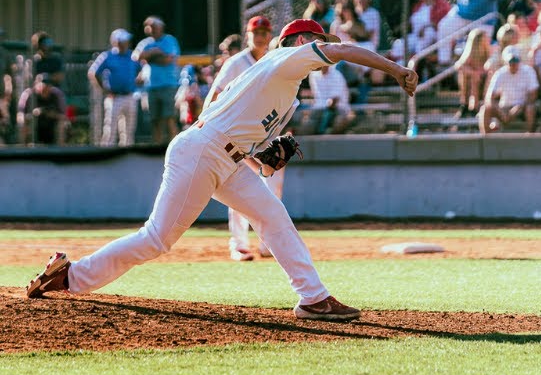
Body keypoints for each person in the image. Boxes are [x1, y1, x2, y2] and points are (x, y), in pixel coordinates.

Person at [26, 18, 419, 323]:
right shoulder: (285, 59)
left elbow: (249, 145)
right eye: (316, 40)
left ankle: (313, 298)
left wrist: (265, 158)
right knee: (156, 239)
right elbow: (345, 48)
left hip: (225, 158)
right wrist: (397, 69)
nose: (321, 48)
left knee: (272, 215)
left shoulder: (287, 92)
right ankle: (71, 276)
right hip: (202, 151)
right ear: (300, 42)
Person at [206, 16, 279, 261]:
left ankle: (268, 243)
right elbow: (214, 94)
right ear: (248, 35)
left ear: (270, 35)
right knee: (239, 188)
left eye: (264, 31)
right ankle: (239, 244)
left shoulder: (273, 60)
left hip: (266, 134)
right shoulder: (236, 62)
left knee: (272, 189)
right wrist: (207, 123)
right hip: (237, 133)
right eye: (255, 31)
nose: (260, 36)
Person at [89, 28, 143, 146]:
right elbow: (93, 72)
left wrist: (139, 78)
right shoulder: (107, 56)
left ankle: (127, 155)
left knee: (129, 130)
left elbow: (142, 69)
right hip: (114, 97)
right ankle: (107, 154)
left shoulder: (132, 55)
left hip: (130, 95)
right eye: (123, 41)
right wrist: (104, 89)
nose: (126, 43)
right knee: (110, 128)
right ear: (116, 42)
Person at [133, 16, 181, 145]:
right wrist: (156, 52)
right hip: (151, 87)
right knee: (155, 120)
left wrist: (149, 57)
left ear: (161, 28)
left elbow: (167, 60)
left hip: (168, 86)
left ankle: (175, 148)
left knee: (169, 118)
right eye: (148, 27)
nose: (150, 29)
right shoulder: (145, 43)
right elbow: (136, 56)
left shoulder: (170, 40)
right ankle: (157, 146)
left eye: (153, 27)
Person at [479, 45, 539, 134]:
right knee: (485, 109)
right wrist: (501, 113)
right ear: (506, 62)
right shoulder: (500, 73)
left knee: (530, 107)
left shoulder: (528, 71)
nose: (514, 64)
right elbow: (489, 97)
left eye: (516, 60)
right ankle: (485, 138)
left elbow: (533, 95)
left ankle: (529, 135)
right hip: (504, 107)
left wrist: (520, 106)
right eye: (511, 61)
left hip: (522, 107)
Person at [17, 73, 68, 146]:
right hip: (33, 125)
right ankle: (24, 151)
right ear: (35, 85)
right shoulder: (28, 94)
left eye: (47, 86)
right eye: (42, 85)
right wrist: (31, 115)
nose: (45, 88)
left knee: (62, 124)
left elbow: (64, 116)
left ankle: (59, 152)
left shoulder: (57, 94)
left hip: (51, 126)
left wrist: (52, 114)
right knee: (22, 124)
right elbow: (20, 114)